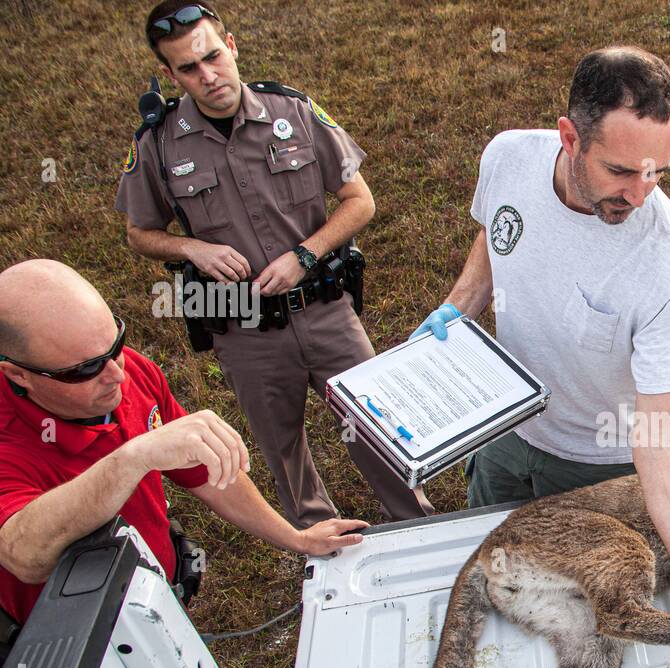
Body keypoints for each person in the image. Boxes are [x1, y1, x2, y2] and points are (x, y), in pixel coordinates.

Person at [409, 47, 670, 668]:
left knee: (560, 632)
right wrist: (459, 306)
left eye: (658, 172)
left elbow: (665, 433)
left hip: (595, 467)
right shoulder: (508, 156)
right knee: (490, 571)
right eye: (622, 171)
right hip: (504, 431)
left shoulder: (667, 267)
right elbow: (497, 234)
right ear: (570, 138)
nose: (642, 194)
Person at [115, 1, 432, 528]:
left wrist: (304, 255)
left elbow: (361, 201)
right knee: (282, 447)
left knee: (375, 425)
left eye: (214, 56)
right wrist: (193, 249)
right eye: (190, 69)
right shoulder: (159, 144)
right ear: (171, 75)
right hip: (244, 327)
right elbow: (139, 233)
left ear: (232, 46)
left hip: (324, 310)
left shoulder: (294, 113)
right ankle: (316, 539)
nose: (209, 75)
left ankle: (414, 521)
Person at [0, 259, 368, 628]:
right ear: (18, 374)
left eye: (116, 344)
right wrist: (130, 460)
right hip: (72, 641)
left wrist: (297, 538)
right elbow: (24, 555)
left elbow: (205, 473)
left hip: (151, 598)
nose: (117, 374)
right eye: (84, 369)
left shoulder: (130, 371)